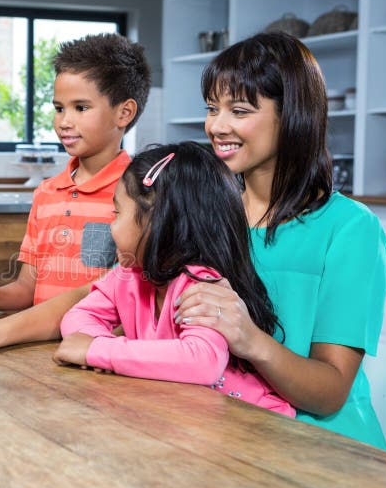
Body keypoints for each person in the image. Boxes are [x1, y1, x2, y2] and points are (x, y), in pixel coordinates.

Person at [0, 32, 386, 448]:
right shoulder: (207, 207)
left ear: (295, 116)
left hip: (323, 448)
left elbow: (329, 391)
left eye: (239, 110)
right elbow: (106, 289)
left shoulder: (351, 229)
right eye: (212, 108)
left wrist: (250, 339)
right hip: (222, 429)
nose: (216, 127)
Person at [53, 142, 294, 416]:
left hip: (252, 423)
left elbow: (202, 361)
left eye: (118, 213)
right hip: (183, 417)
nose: (112, 225)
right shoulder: (128, 276)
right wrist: (96, 349)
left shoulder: (202, 285)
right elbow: (78, 316)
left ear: (158, 221)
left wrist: (101, 351)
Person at [0, 33, 151, 316]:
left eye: (80, 108)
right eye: (59, 108)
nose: (64, 122)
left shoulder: (138, 195)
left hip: (94, 350)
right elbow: (27, 289)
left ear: (124, 113)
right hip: (36, 349)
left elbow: (129, 300)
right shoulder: (47, 194)